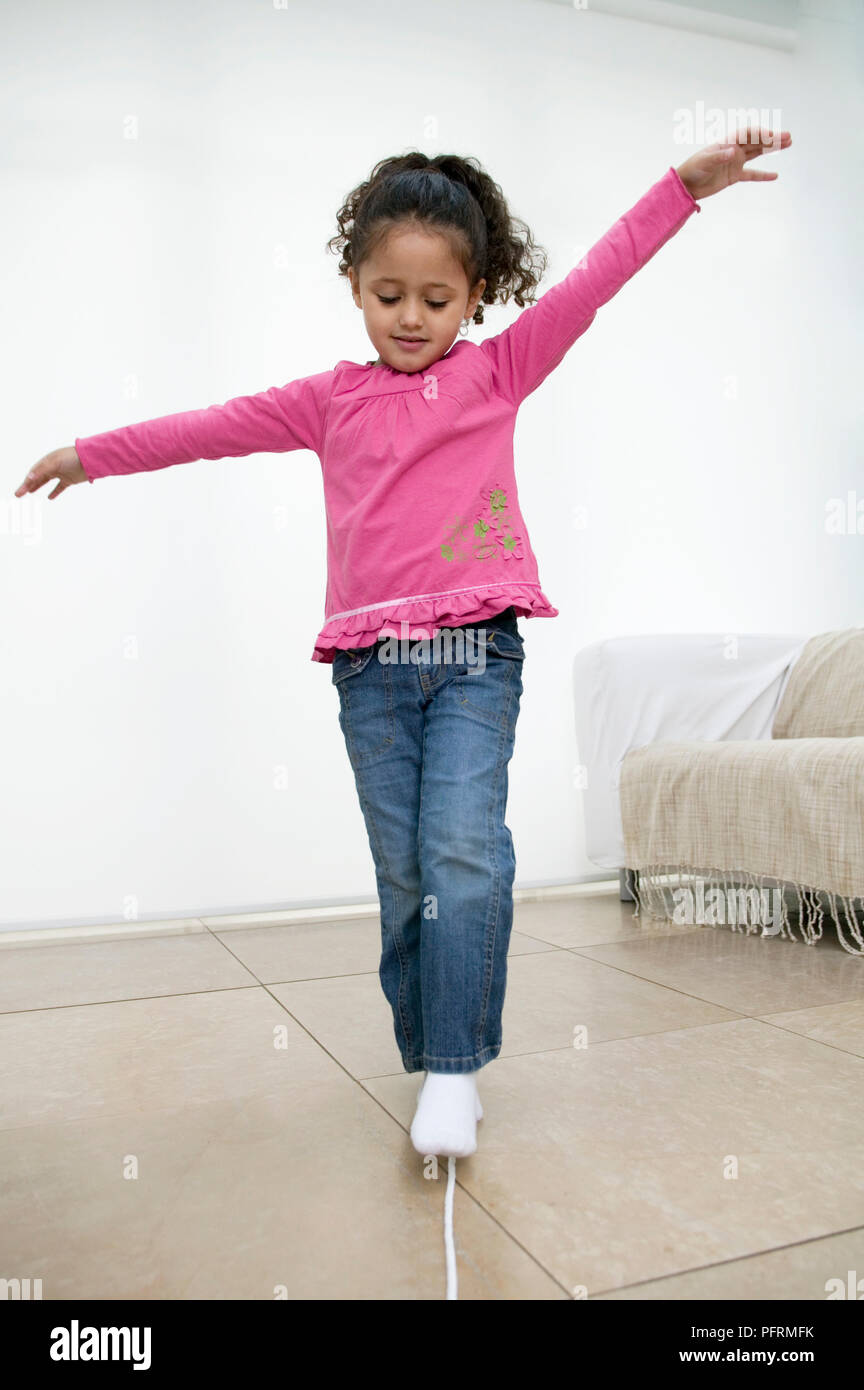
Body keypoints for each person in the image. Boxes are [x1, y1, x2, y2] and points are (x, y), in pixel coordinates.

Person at [15, 127, 791, 1158]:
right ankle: (432, 1050)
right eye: (390, 297)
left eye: (437, 300)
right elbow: (208, 426)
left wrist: (682, 188)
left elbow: (597, 281)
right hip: (371, 674)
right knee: (403, 874)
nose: (413, 319)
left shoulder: (501, 371)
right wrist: (92, 454)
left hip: (477, 656)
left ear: (474, 296)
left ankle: (458, 1071)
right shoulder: (327, 401)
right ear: (354, 286)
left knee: (463, 849)